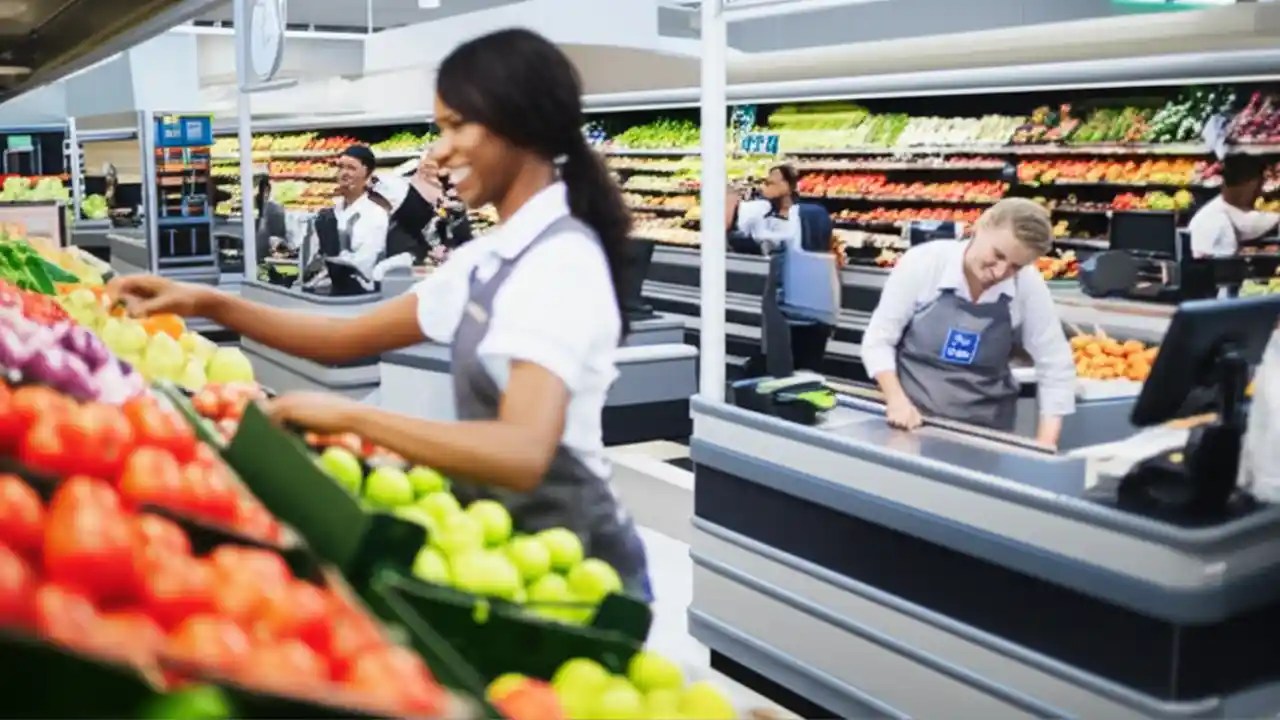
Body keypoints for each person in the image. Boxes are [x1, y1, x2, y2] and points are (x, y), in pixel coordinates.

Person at [107, 28, 650, 598]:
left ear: (523, 125)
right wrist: (206, 301)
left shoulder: (561, 260)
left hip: (583, 570)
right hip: (506, 548)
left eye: (456, 125)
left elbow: (521, 452)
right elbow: (343, 339)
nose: (438, 151)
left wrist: (353, 418)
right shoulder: (491, 255)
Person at [861, 198, 1076, 446]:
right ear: (979, 227)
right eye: (997, 255)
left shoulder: (1027, 285)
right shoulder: (923, 263)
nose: (999, 272)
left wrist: (1046, 444)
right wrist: (896, 400)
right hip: (912, 425)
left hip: (988, 435)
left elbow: (1056, 365)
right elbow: (878, 341)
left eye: (1015, 267)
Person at [730, 164, 840, 372]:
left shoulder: (806, 215)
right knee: (788, 353)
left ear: (789, 185)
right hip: (789, 295)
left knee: (802, 355)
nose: (766, 187)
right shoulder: (762, 215)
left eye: (771, 182)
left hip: (803, 293)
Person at [315, 144, 390, 292]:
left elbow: (366, 263)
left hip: (359, 293)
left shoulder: (375, 215)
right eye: (341, 167)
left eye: (351, 168)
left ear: (367, 174)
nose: (344, 173)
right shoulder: (331, 212)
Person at [1189, 153, 1280, 259]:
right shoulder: (1215, 220)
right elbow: (1247, 225)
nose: (1258, 193)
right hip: (1211, 268)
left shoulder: (1220, 207)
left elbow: (1248, 221)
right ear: (1248, 184)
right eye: (1257, 186)